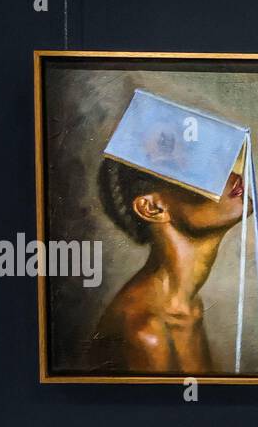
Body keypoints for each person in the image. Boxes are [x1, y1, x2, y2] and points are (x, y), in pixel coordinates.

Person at [88, 157, 249, 374]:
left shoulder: (188, 308)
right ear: (152, 207)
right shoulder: (145, 333)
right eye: (199, 169)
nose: (233, 174)